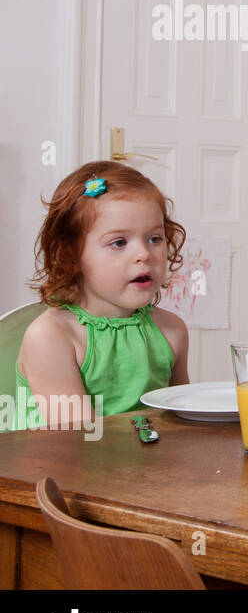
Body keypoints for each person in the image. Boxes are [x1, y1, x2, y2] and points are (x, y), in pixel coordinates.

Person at [16, 161, 190, 428]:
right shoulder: (52, 337)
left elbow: (184, 423)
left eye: (155, 238)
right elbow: (80, 442)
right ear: (71, 256)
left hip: (145, 466)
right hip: (60, 466)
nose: (144, 254)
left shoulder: (171, 331)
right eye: (119, 242)